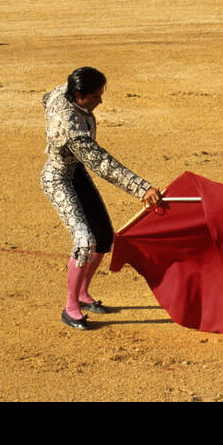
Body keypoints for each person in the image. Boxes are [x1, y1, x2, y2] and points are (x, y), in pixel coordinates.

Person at [41, 67, 163, 331]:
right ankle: (70, 307)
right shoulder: (71, 128)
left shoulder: (62, 92)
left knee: (104, 236)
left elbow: (45, 98)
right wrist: (141, 188)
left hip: (75, 172)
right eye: (95, 97)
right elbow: (101, 163)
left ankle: (83, 293)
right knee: (85, 240)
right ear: (79, 95)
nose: (100, 101)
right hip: (58, 178)